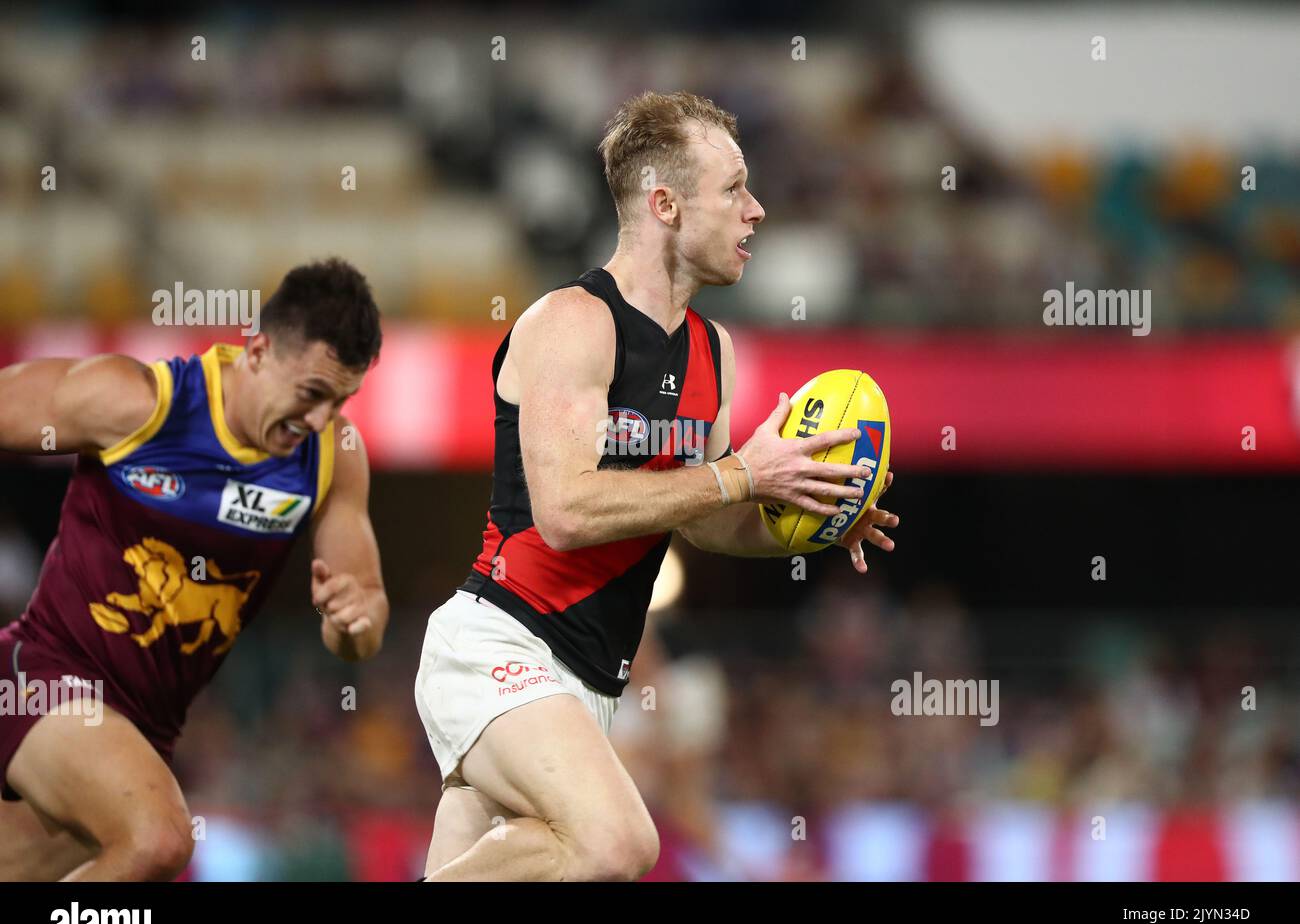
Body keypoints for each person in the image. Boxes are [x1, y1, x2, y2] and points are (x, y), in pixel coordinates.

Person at [415, 91, 898, 881]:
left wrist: (802, 514)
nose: (757, 210)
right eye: (733, 189)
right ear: (665, 205)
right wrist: (742, 473)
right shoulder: (572, 323)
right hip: (501, 644)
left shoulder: (714, 351)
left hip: (588, 681)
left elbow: (703, 517)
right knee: (620, 844)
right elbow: (566, 511)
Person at [0, 258, 389, 880]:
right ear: (258, 352)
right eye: (312, 393)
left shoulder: (333, 458)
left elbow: (361, 622)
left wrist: (352, 620)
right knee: (157, 838)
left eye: (341, 400)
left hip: (146, 729)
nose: (321, 419)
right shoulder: (140, 403)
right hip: (45, 677)